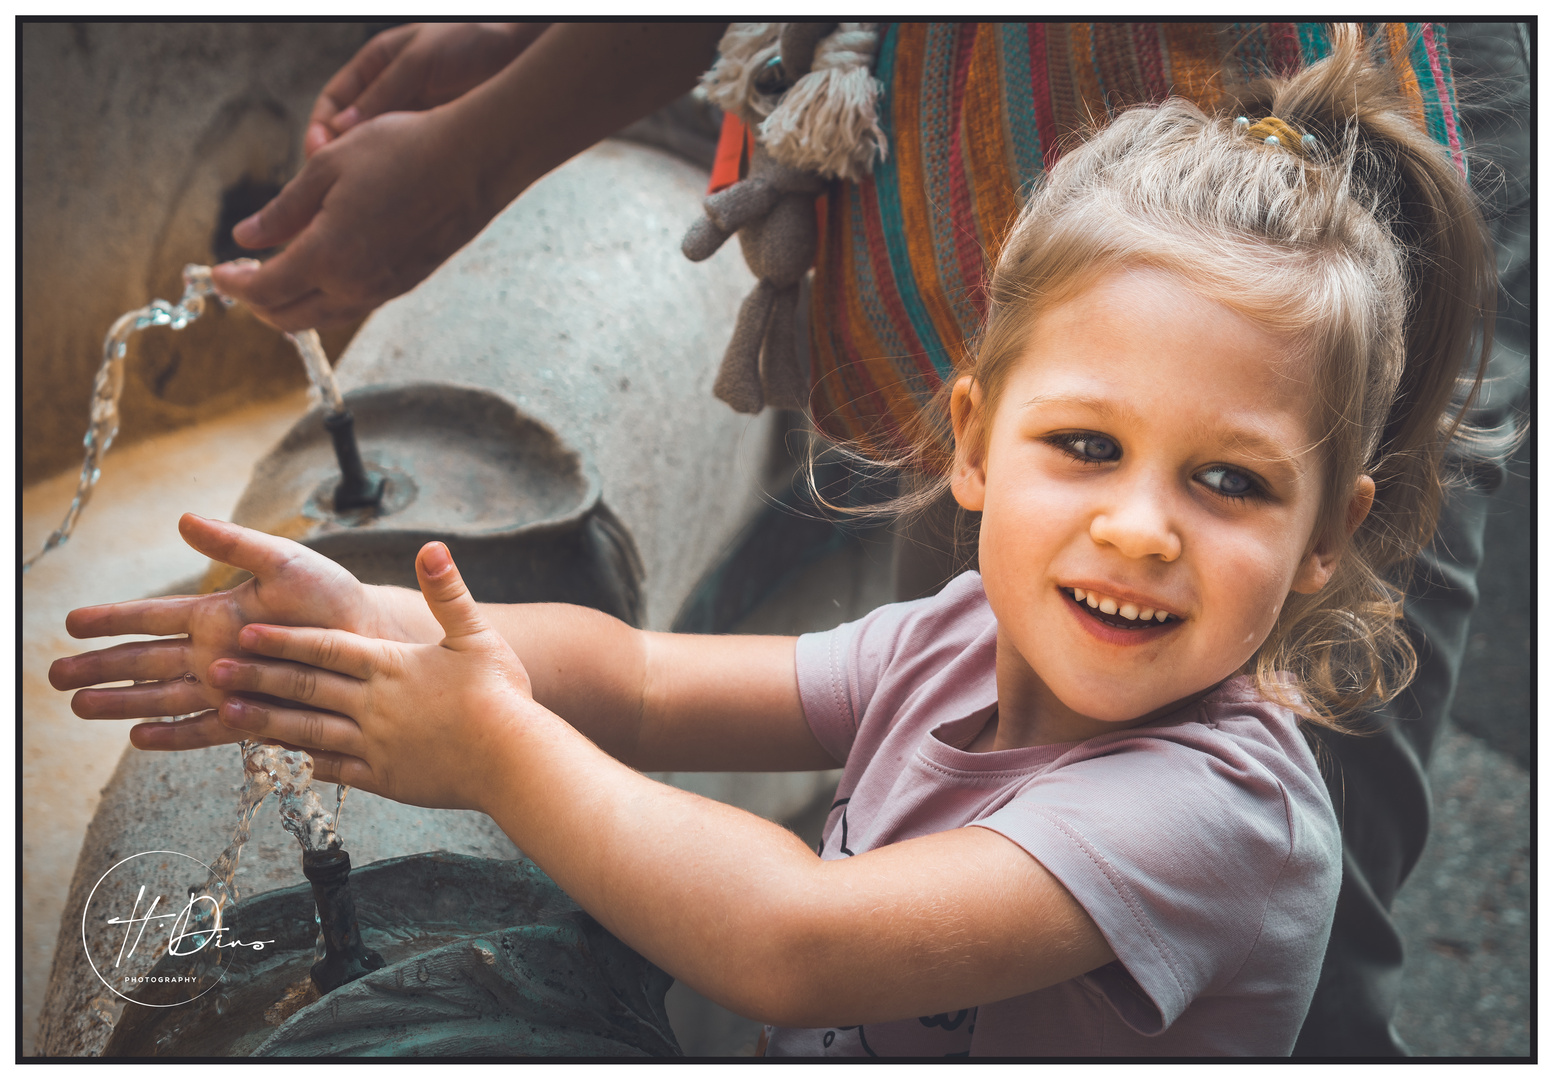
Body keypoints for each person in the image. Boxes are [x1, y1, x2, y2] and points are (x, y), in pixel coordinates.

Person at [52, 29, 1495, 1056]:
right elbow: (636, 681)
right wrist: (379, 637)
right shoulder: (954, 644)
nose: (1137, 527)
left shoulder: (1211, 816)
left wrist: (489, 748)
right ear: (976, 443)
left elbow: (790, 941)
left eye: (1231, 483)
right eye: (1086, 447)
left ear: (1328, 537)